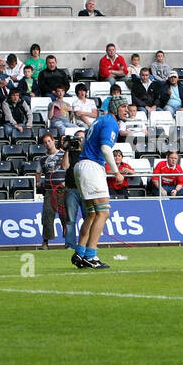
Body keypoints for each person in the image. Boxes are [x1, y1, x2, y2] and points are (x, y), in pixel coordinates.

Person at [72, 101, 129, 269]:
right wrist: (116, 171)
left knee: (91, 214)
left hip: (82, 165)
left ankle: (80, 252)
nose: (126, 110)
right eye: (123, 107)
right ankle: (91, 255)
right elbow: (105, 148)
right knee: (103, 213)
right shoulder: (111, 122)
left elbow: (85, 145)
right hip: (92, 167)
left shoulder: (98, 120)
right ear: (114, 109)